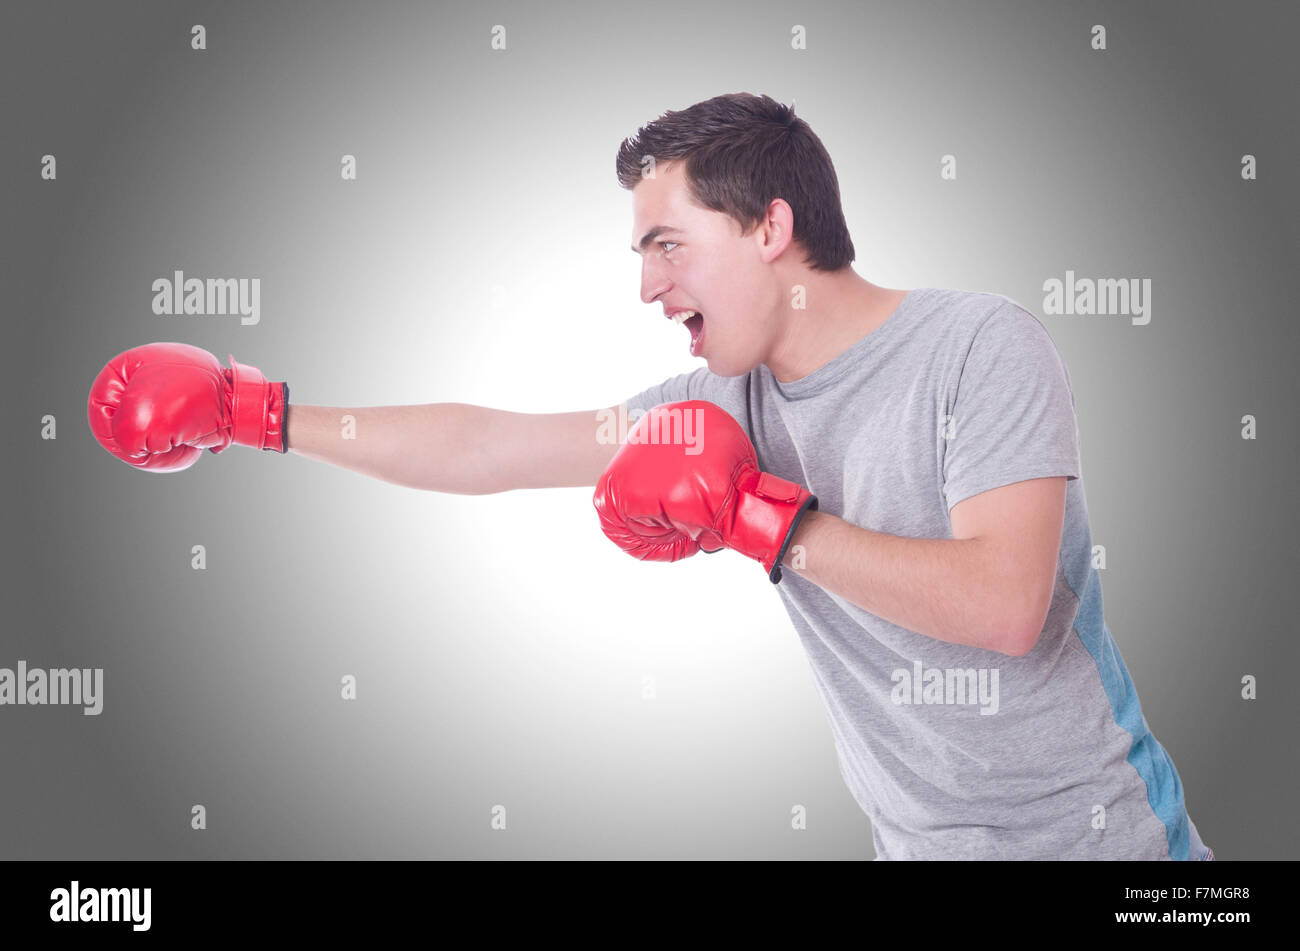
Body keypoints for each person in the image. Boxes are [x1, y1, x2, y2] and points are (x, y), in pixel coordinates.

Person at [86, 92, 1212, 861]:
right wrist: (259, 414)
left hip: (1098, 845)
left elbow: (1007, 605)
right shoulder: (723, 403)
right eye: (640, 254)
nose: (646, 286)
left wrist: (764, 520)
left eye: (667, 245)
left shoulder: (978, 346)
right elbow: (500, 445)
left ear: (771, 226)